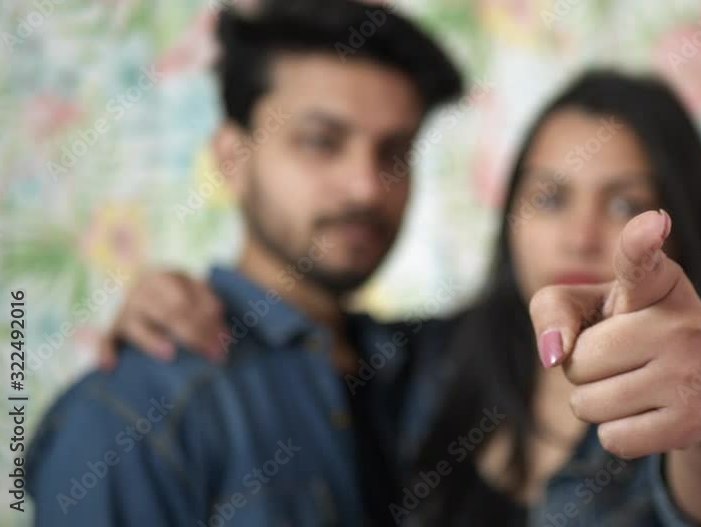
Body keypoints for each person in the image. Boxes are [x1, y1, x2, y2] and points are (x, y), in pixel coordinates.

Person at [95, 70, 701, 525]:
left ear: (681, 232)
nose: (582, 235)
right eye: (550, 197)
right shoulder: (414, 365)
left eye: (624, 205)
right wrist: (179, 300)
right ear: (509, 217)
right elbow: (297, 331)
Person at [27, 2, 463, 525]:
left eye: (394, 153)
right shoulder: (134, 412)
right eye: (321, 142)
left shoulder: (434, 369)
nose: (367, 187)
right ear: (232, 160)